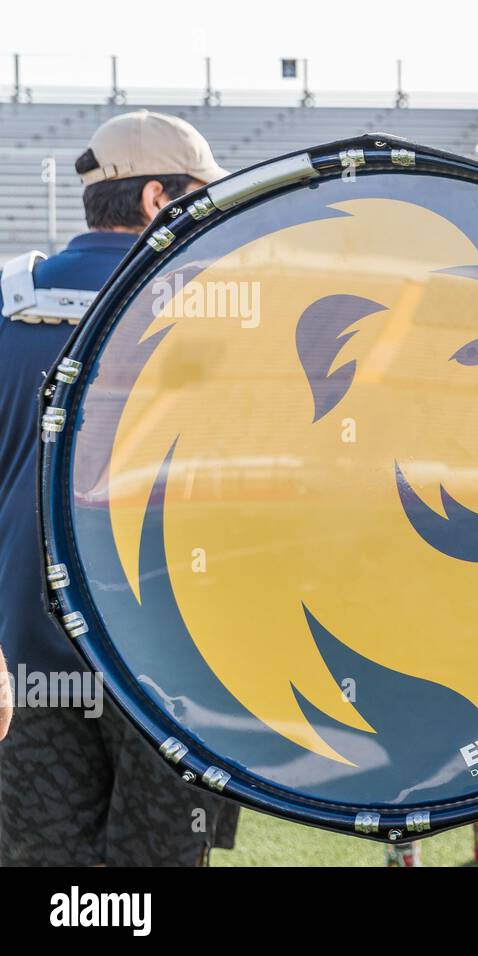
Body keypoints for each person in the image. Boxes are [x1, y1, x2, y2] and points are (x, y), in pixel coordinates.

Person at [0, 109, 240, 866]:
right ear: (156, 201)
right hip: (174, 667)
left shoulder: (7, 302)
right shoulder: (226, 320)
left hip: (27, 659)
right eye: (200, 196)